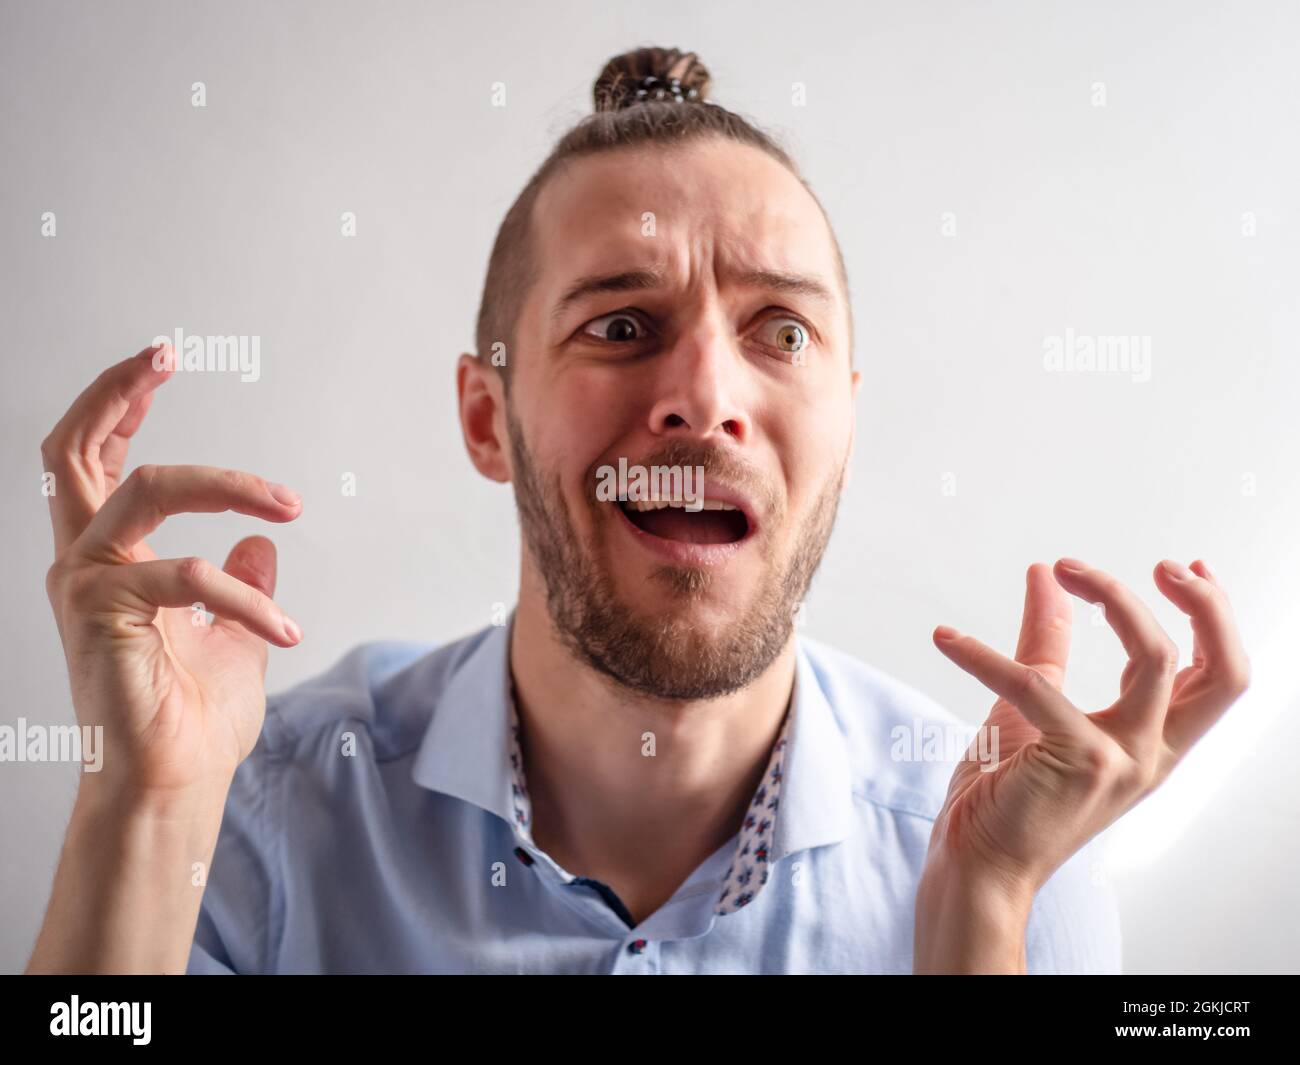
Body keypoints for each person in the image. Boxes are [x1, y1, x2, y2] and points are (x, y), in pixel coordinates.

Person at [26, 47, 1250, 975]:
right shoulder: (267, 802)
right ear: (485, 419)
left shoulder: (1023, 847)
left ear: (847, 419)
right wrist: (145, 806)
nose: (704, 398)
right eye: (620, 326)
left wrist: (981, 916)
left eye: (781, 331)